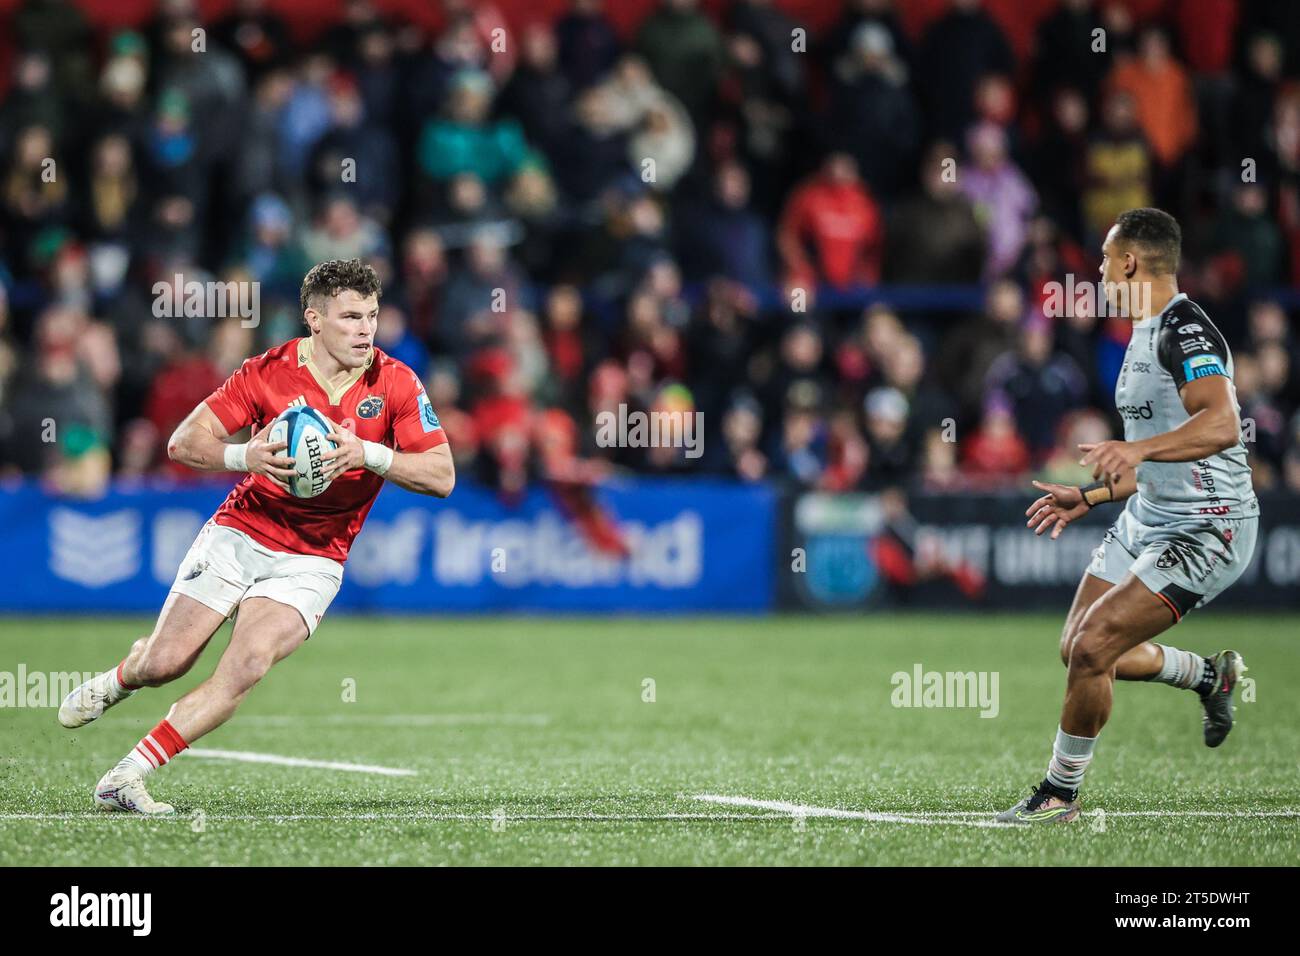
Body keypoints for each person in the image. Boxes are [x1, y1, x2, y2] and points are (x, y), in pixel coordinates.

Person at [57, 259, 455, 815]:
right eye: (349, 317)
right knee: (166, 663)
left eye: (371, 316)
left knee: (246, 664)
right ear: (314, 320)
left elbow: (442, 476)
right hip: (242, 531)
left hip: (315, 557)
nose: (365, 330)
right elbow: (182, 442)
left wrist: (370, 453)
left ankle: (128, 774)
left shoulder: (395, 382)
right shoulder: (266, 372)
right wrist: (245, 455)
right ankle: (127, 674)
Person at [999, 208, 1257, 824]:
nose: (1099, 270)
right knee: (1076, 650)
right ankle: (1206, 675)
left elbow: (1221, 426)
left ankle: (1059, 794)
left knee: (1094, 646)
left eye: (1105, 260)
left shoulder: (1184, 329)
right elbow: (1163, 456)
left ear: (1131, 262)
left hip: (1208, 525)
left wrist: (1134, 449)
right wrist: (1087, 497)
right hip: (1150, 511)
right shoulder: (1140, 331)